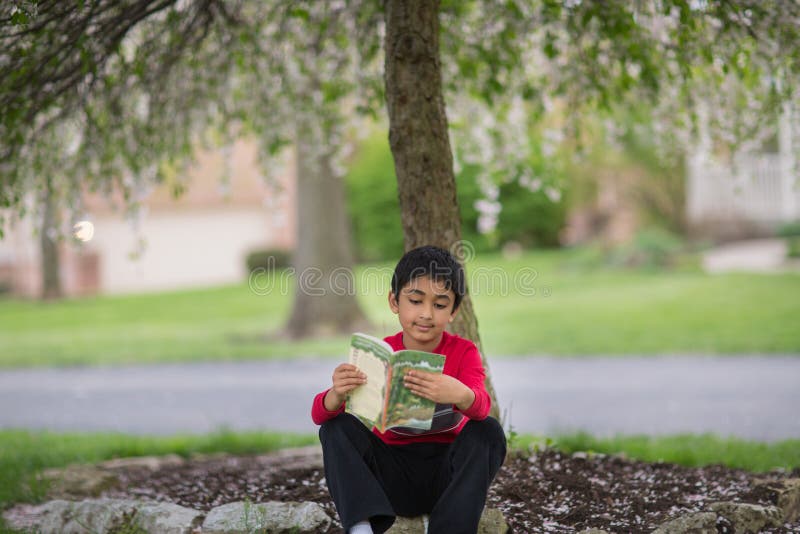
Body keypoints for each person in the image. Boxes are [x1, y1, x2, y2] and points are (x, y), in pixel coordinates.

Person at [311, 245, 507, 534]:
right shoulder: (380, 352)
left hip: (446, 476)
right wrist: (336, 394)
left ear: (453, 311)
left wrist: (460, 394)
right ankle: (361, 527)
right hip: (391, 477)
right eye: (415, 301)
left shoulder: (464, 352)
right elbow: (319, 415)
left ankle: (448, 528)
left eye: (440, 305)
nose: (426, 314)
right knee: (334, 428)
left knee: (488, 430)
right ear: (395, 301)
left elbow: (481, 406)